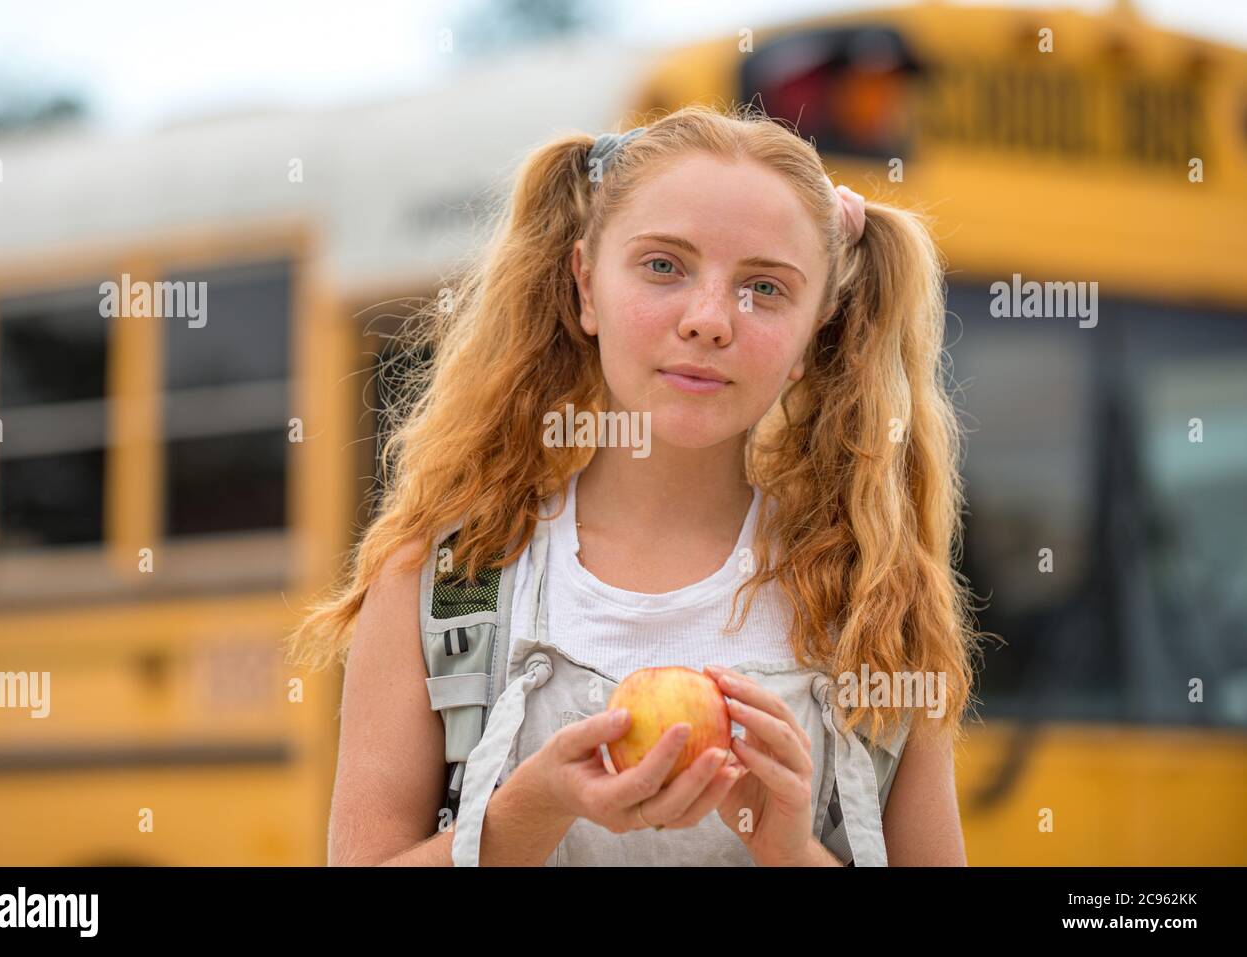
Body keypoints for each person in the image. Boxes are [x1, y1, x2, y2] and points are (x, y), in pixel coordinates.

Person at [288, 103, 976, 866]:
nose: (711, 319)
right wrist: (535, 804)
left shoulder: (875, 597)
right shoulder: (447, 578)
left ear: (820, 329)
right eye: (663, 266)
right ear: (586, 285)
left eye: (766, 288)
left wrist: (787, 847)